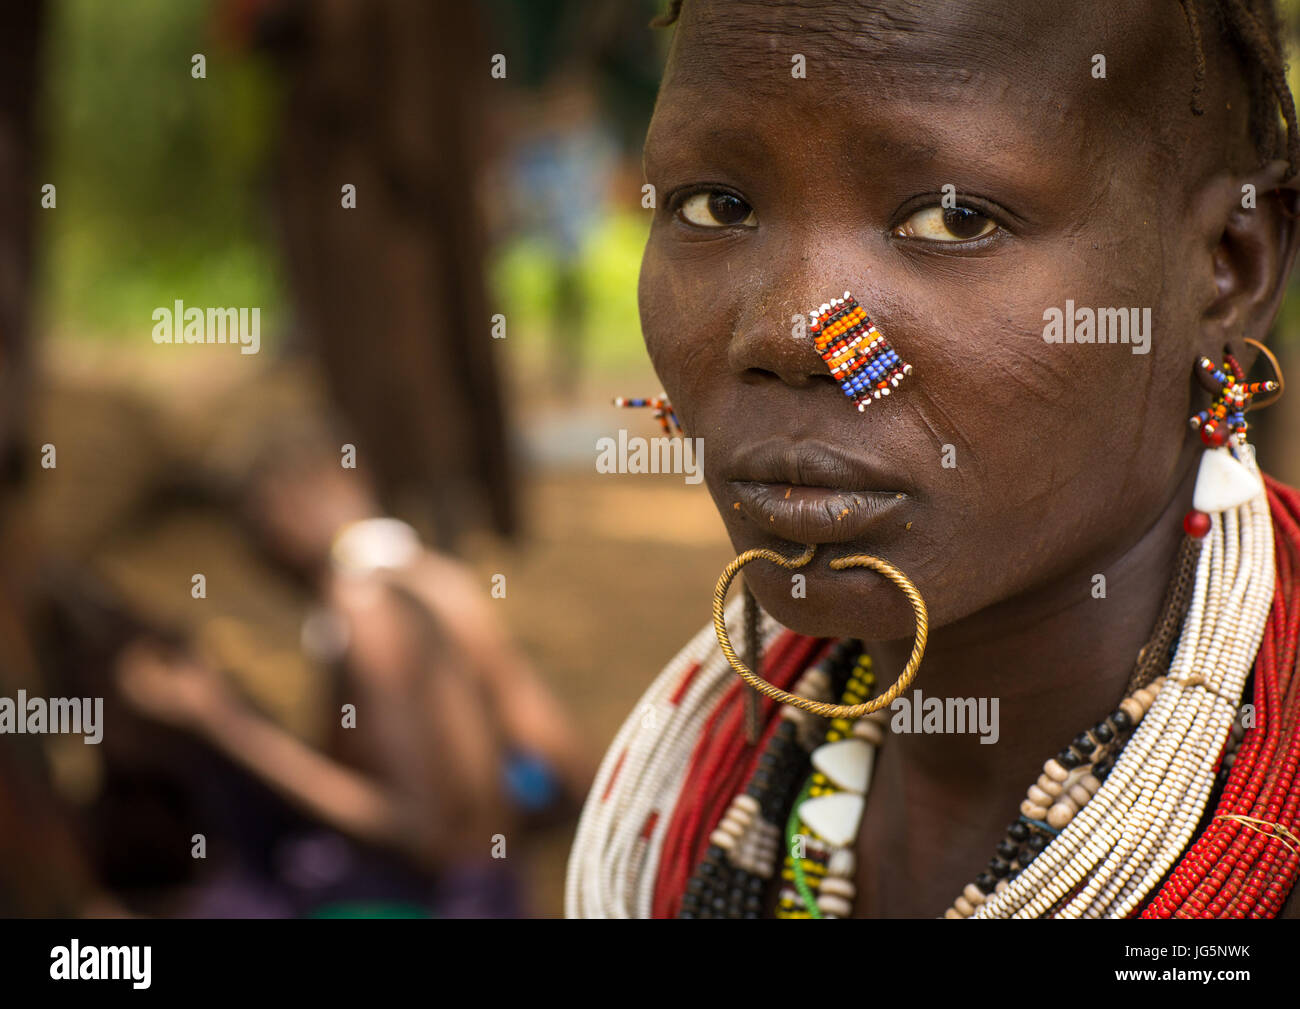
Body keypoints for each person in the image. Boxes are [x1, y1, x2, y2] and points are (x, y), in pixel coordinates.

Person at [567, 0, 1300, 918]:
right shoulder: (680, 806)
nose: (796, 334)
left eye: (951, 221)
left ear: (1232, 260)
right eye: (718, 206)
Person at [117, 426, 591, 916]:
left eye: (253, 522)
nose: (258, 552)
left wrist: (222, 721)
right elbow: (565, 769)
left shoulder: (369, 609)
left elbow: (426, 832)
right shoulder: (441, 581)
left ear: (283, 508)